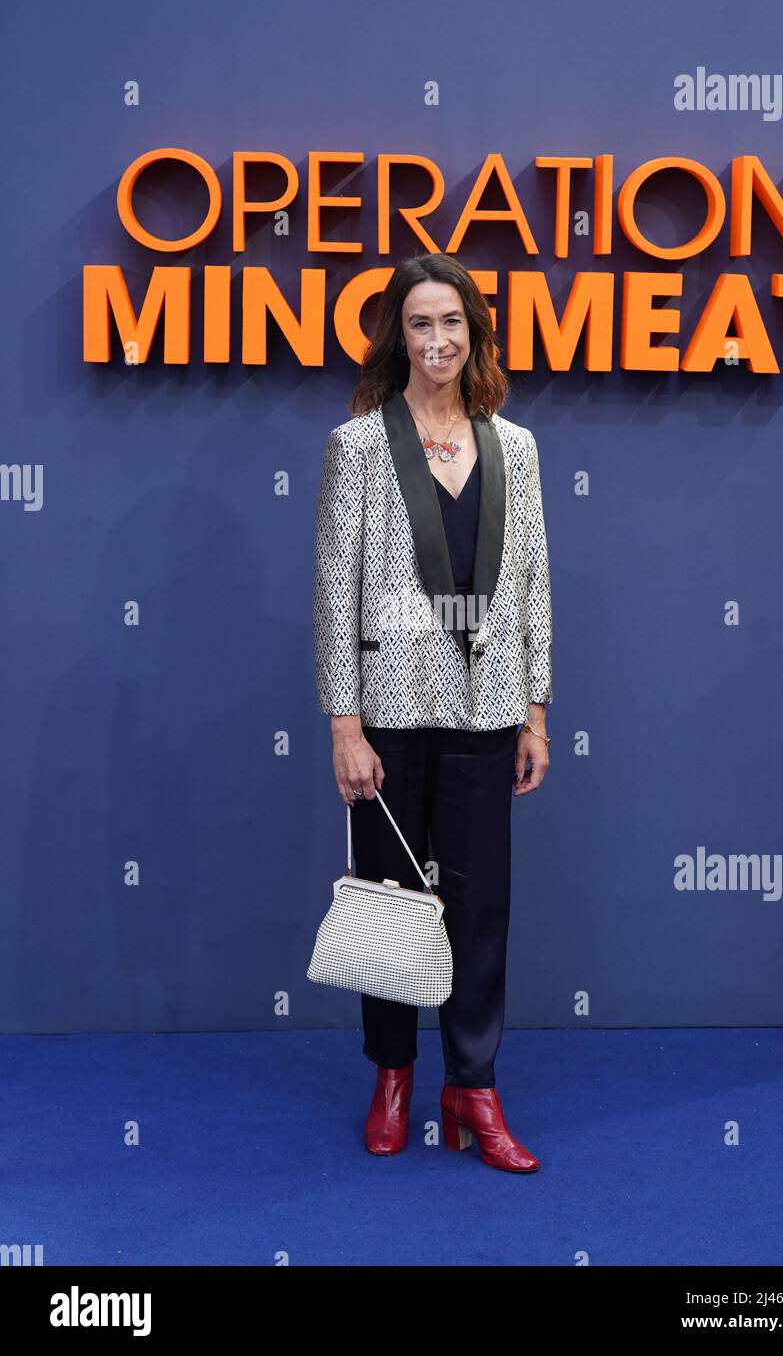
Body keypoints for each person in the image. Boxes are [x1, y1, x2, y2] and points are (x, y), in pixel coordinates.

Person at [312, 251, 552, 1173]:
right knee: (390, 900)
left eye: (452, 321)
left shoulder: (517, 447)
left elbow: (531, 585)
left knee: (480, 906)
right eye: (420, 323)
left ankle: (474, 1090)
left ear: (475, 331)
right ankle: (393, 1077)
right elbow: (337, 591)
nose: (439, 339)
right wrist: (344, 723)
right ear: (397, 335)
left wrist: (535, 712)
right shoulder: (360, 445)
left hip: (489, 711)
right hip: (389, 713)